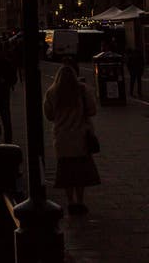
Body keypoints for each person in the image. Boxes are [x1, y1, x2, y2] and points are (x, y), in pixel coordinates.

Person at [43, 63, 100, 215]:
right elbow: (92, 110)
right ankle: (80, 201)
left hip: (62, 138)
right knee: (80, 172)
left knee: (67, 172)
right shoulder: (82, 90)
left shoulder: (52, 92)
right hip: (80, 136)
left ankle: (70, 202)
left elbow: (49, 115)